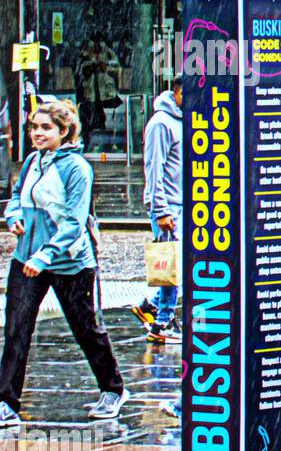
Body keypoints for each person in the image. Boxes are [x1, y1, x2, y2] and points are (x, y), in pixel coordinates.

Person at [0, 101, 129, 425]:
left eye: (45, 128)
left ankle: (113, 388)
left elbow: (73, 222)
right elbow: (17, 197)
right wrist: (13, 216)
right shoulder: (32, 161)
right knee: (16, 329)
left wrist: (45, 256)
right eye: (34, 128)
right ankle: (6, 402)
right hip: (27, 258)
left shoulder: (76, 168)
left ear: (63, 131)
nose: (37, 134)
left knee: (86, 328)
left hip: (68, 262)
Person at [129, 81, 185, 344]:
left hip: (179, 203)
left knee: (175, 264)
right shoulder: (161, 123)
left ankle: (150, 306)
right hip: (169, 206)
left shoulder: (181, 120)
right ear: (179, 92)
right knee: (173, 264)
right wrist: (160, 209)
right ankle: (162, 322)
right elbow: (154, 168)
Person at [74, 34, 122, 151]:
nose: (96, 46)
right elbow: (78, 72)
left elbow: (118, 69)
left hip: (107, 95)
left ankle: (110, 145)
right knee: (88, 123)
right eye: (93, 43)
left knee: (109, 123)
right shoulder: (84, 55)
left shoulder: (110, 54)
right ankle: (88, 145)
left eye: (99, 43)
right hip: (89, 95)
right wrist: (89, 67)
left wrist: (105, 67)